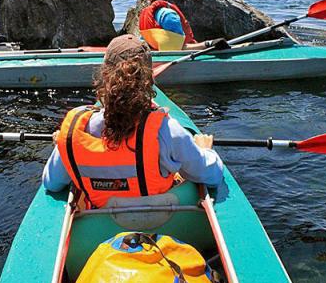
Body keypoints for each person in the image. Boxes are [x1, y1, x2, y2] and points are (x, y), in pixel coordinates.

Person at [42, 34, 225, 208]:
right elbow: (212, 175)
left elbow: (52, 183)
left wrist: (63, 145)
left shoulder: (77, 130)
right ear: (149, 80)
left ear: (105, 76)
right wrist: (205, 150)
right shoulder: (167, 130)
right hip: (160, 224)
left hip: (101, 224)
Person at [139, 0, 224, 51]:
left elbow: (145, 44)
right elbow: (178, 47)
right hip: (178, 56)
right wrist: (208, 44)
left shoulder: (144, 16)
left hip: (156, 55)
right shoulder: (168, 15)